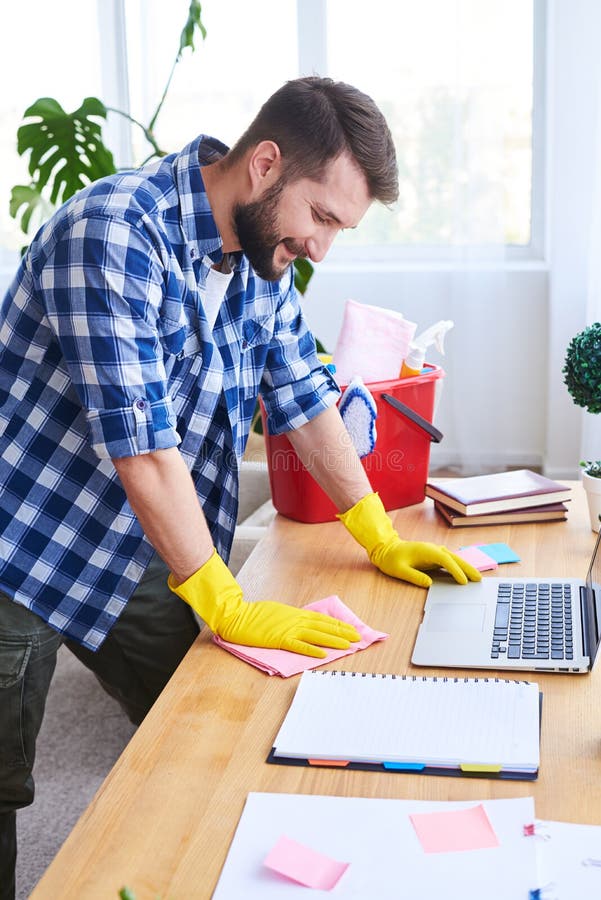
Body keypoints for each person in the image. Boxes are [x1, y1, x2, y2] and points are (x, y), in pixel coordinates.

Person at [0, 76, 479, 897]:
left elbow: (301, 395)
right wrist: (224, 601)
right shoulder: (114, 235)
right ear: (264, 165)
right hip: (23, 547)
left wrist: (376, 529)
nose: (323, 247)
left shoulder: (258, 256)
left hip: (135, 545)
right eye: (322, 217)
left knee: (216, 722)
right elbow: (144, 450)